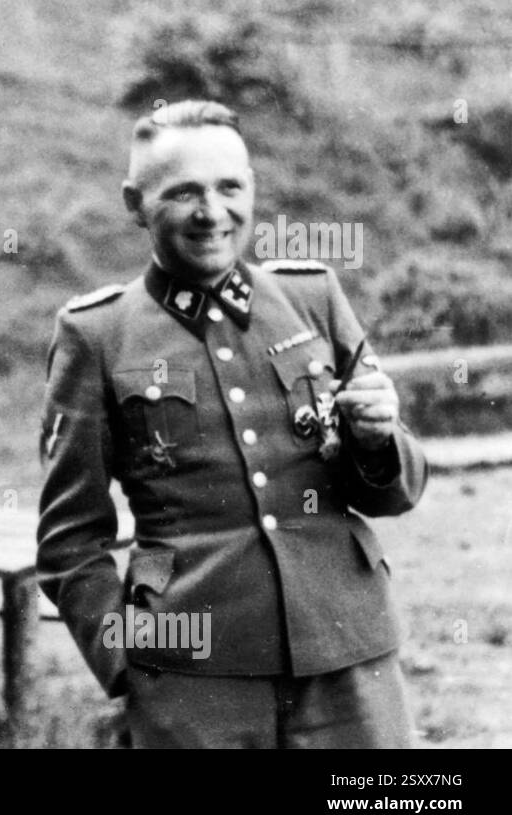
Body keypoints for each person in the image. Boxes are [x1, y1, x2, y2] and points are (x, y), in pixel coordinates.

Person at [36, 100, 427, 748]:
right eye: (184, 192)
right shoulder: (98, 335)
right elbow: (69, 542)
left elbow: (397, 489)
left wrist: (379, 442)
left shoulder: (312, 297)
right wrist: (132, 663)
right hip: (193, 680)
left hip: (350, 663)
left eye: (229, 188)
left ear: (253, 189)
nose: (211, 213)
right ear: (136, 202)